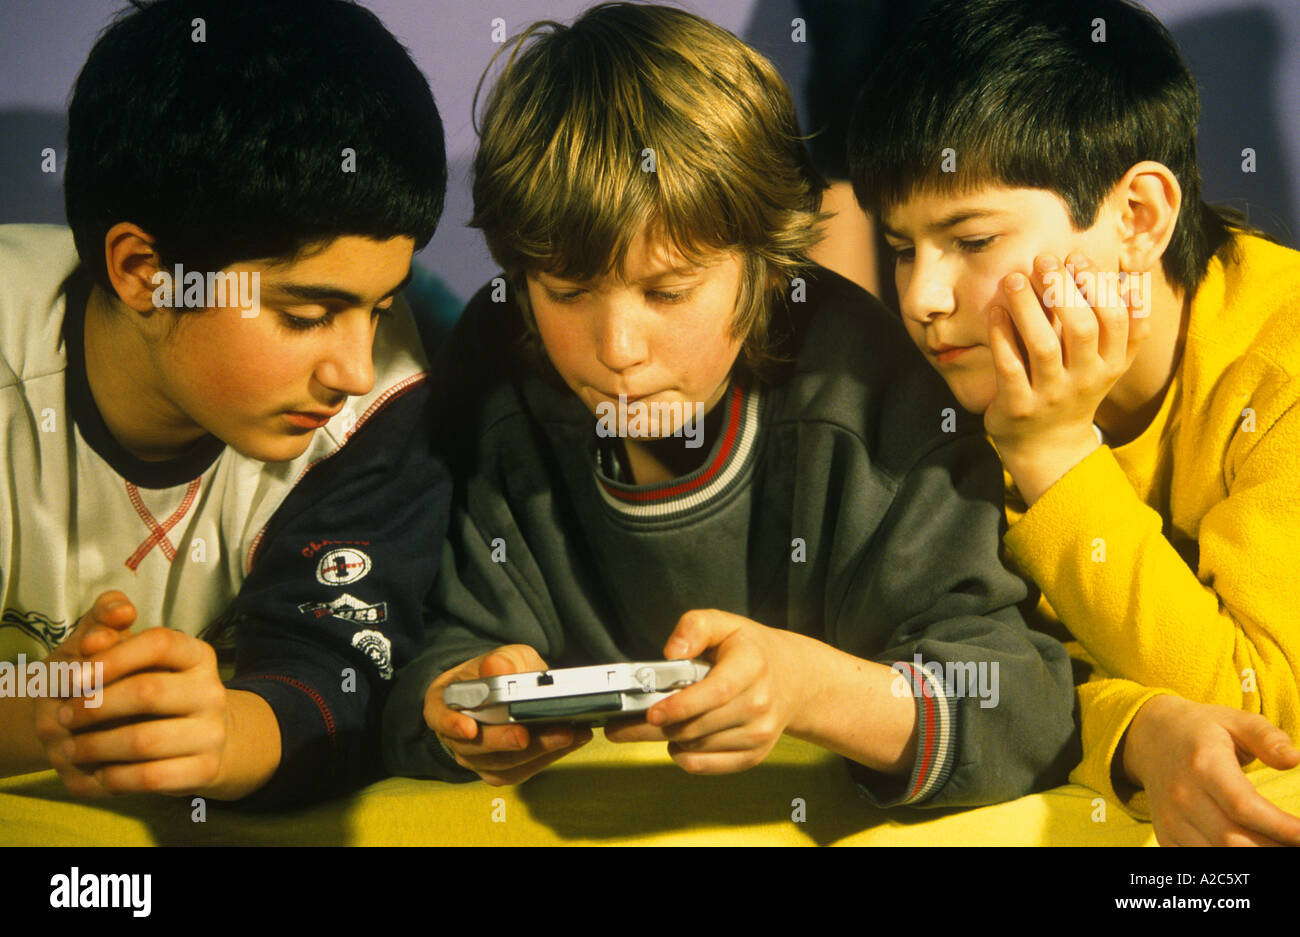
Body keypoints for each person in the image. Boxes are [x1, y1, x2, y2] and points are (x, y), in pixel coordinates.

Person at [382, 2, 1076, 808]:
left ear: (769, 267)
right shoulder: (494, 372)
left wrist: (811, 691)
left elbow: (1023, 704)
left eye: (667, 291)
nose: (617, 347)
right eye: (567, 292)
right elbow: (403, 657)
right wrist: (462, 700)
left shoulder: (869, 396)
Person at [846, 0, 1300, 844]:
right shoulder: (948, 379)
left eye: (972, 240)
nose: (921, 300)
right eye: (904, 248)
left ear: (1137, 218)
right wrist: (1138, 734)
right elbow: (992, 674)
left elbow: (1261, 712)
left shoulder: (1284, 366)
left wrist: (1052, 452)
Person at [0, 0, 450, 807]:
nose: (353, 365)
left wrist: (223, 737)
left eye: (379, 310)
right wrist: (67, 712)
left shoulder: (386, 398)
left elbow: (338, 673)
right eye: (305, 315)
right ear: (145, 270)